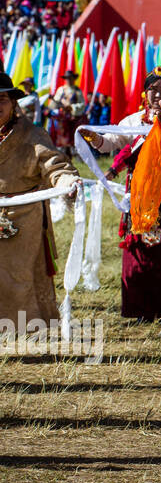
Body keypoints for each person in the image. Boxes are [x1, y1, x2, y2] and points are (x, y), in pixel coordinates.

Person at [86, 68, 161, 324]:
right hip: (140, 198)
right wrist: (95, 138)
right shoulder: (132, 122)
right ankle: (138, 310)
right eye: (153, 89)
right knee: (138, 251)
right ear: (145, 93)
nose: (157, 94)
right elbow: (111, 143)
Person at [0, 72, 80, 326]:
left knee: (18, 279)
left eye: (1, 99)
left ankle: (26, 327)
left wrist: (68, 182)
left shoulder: (33, 135)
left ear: (14, 104)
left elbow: (56, 166)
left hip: (25, 219)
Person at [48, 70, 86, 156]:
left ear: (73, 79)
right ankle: (61, 154)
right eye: (67, 78)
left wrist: (72, 107)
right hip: (61, 118)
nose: (69, 80)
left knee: (73, 137)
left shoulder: (77, 91)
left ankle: (76, 155)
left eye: (70, 78)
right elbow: (54, 103)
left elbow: (82, 104)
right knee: (61, 137)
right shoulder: (61, 90)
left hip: (73, 118)